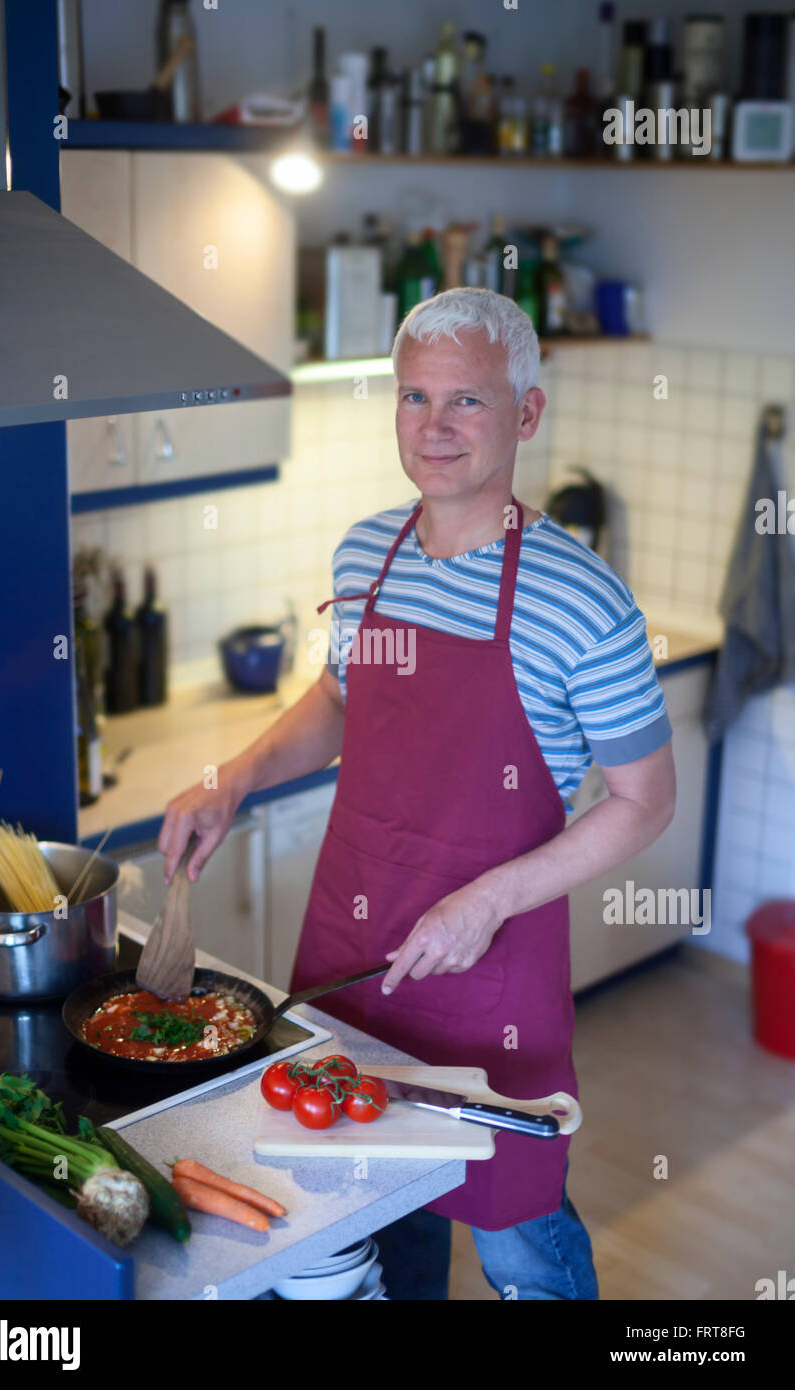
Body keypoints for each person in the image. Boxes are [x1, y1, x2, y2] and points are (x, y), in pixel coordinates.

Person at [159, 288, 676, 1299]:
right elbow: (339, 701)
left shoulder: (582, 598)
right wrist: (233, 779)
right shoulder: (365, 555)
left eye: (464, 403)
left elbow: (643, 800)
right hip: (354, 948)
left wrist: (484, 900)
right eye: (411, 399)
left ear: (524, 414)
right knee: (370, 1195)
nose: (431, 429)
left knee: (515, 1229)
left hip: (492, 963)